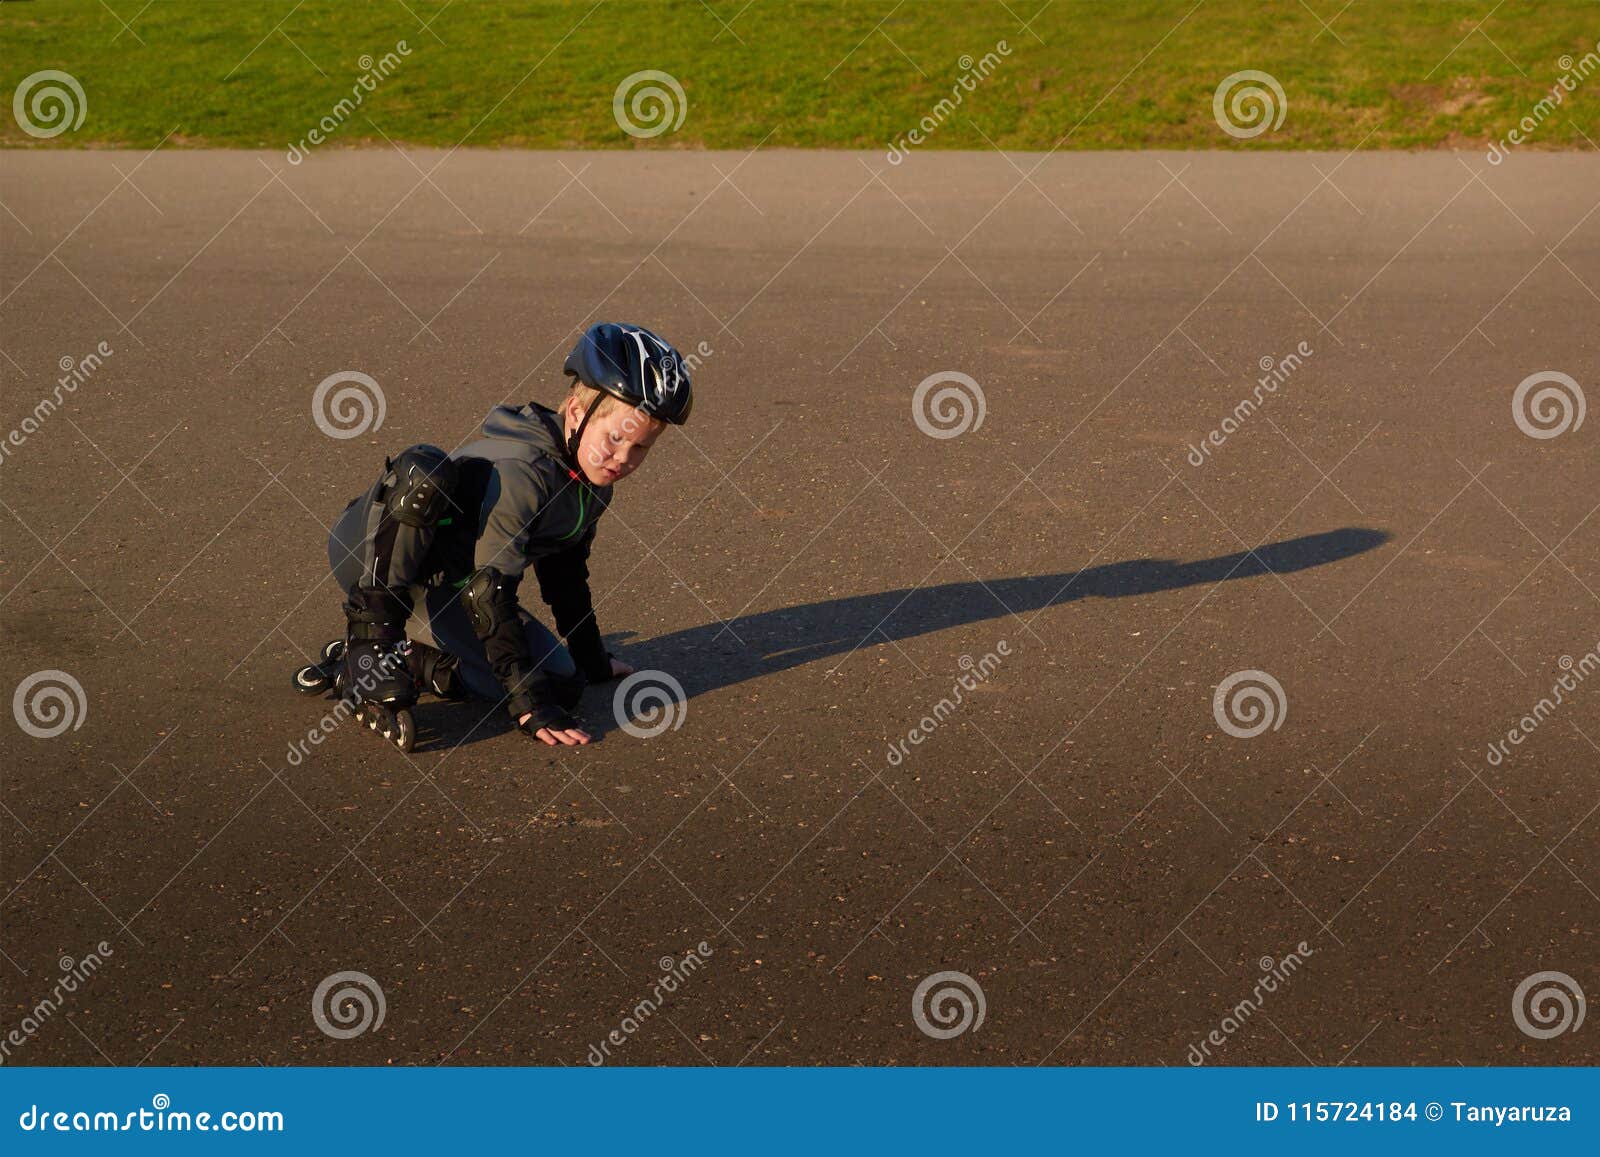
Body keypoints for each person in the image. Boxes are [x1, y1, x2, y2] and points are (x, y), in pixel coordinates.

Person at [305, 322, 692, 749]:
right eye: (615, 437)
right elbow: (489, 593)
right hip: (372, 555)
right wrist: (528, 705)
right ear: (578, 414)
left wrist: (591, 659)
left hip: (445, 586)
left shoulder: (593, 484)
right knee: (424, 471)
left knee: (562, 685)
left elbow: (564, 576)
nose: (623, 458)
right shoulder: (523, 474)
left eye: (640, 448)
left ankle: (402, 657)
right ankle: (369, 645)